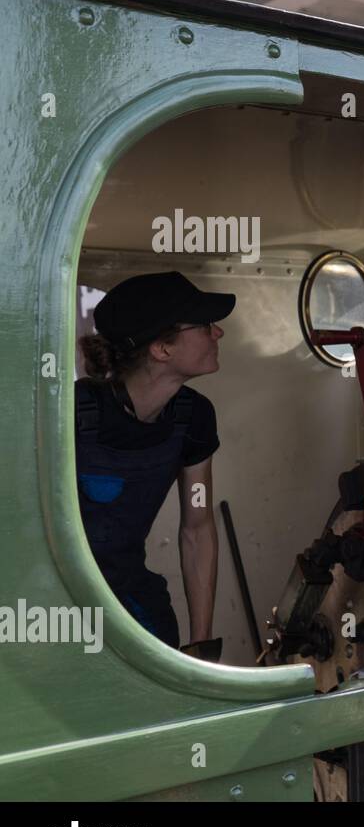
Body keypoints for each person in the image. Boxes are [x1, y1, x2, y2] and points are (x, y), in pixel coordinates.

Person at [75, 271, 233, 650]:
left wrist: (200, 644)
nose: (218, 334)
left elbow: (197, 523)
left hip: (130, 595)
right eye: (205, 326)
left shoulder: (193, 418)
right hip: (54, 602)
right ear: (162, 349)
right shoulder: (72, 414)